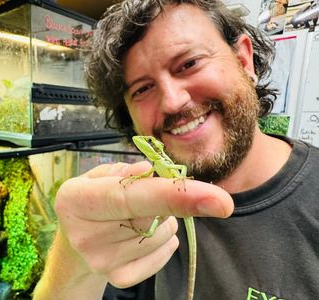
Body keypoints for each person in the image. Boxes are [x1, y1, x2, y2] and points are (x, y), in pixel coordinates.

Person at [33, 0, 319, 299]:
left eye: (189, 63)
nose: (172, 101)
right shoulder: (140, 211)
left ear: (244, 61)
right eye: (142, 88)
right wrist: (73, 262)